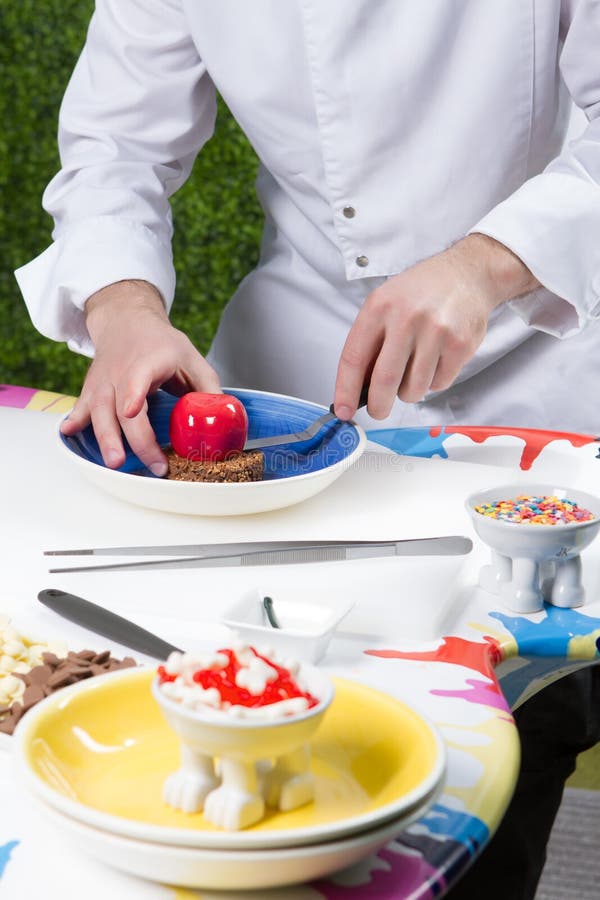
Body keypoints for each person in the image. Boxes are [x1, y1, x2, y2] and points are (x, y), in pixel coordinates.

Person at [14, 2, 600, 897]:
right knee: (227, 716)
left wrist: (483, 264)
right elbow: (114, 145)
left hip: (540, 378)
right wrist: (124, 311)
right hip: (298, 370)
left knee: (492, 768)